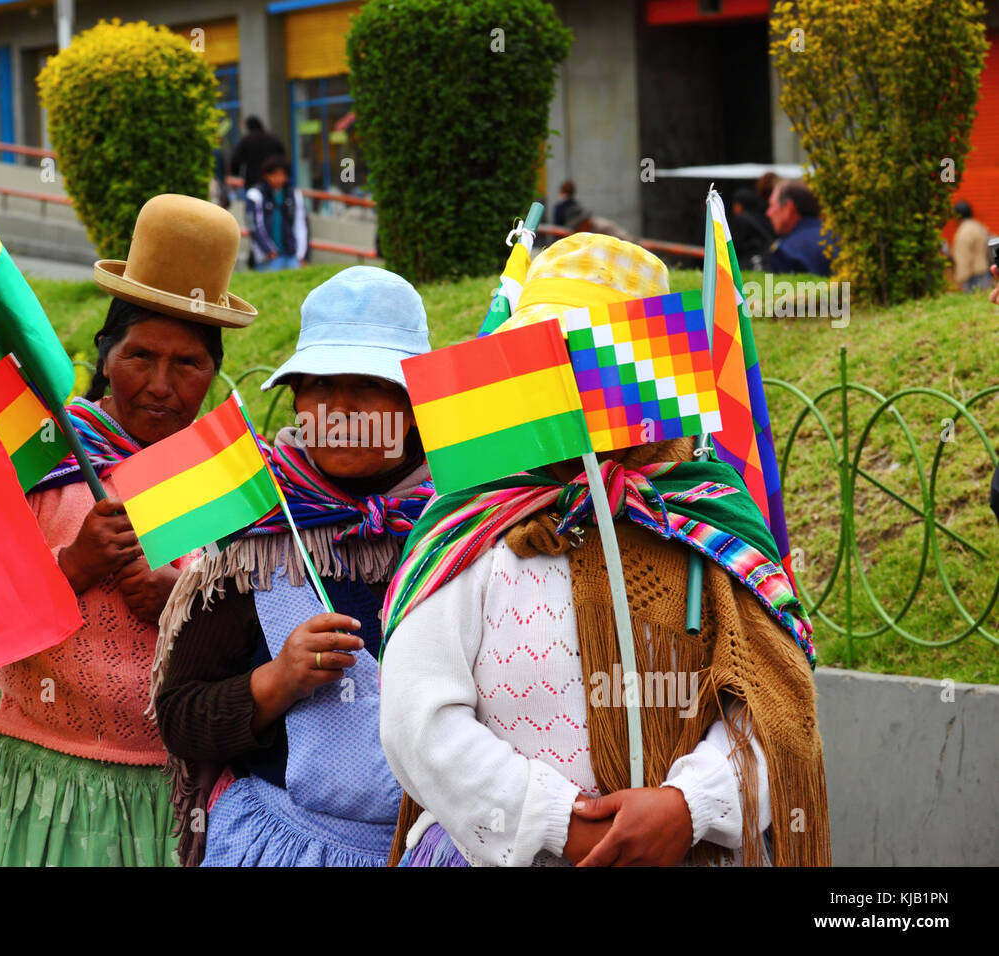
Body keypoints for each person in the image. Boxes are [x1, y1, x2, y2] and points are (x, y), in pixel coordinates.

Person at [379, 233, 831, 867]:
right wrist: (564, 827)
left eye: (595, 366)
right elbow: (416, 720)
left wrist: (687, 807)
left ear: (649, 374)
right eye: (549, 365)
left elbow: (774, 704)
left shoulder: (703, 514)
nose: (572, 391)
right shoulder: (469, 518)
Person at [0, 195, 256, 866]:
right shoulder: (45, 454)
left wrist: (179, 606)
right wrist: (73, 567)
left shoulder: (234, 487)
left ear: (213, 373)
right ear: (104, 354)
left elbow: (258, 650)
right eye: (139, 356)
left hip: (158, 804)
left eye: (187, 364)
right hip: (20, 783)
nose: (159, 385)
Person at [152, 266, 434, 866]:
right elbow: (179, 715)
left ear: (412, 408)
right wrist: (275, 681)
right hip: (281, 845)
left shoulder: (461, 530)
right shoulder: (257, 532)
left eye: (367, 386)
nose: (338, 410)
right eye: (318, 385)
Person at [245, 155, 308, 272]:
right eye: (275, 174)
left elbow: (301, 225)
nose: (279, 179)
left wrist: (301, 254)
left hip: (291, 255)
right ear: (266, 175)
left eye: (282, 174)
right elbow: (254, 226)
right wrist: (268, 250)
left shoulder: (294, 194)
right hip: (267, 258)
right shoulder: (255, 194)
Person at [766, 180, 837, 276]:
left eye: (772, 205)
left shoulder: (786, 252)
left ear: (788, 208)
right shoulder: (839, 238)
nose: (768, 213)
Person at [230, 115, 286, 190]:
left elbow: (235, 160)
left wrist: (236, 175)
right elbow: (282, 156)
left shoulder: (245, 141)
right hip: (271, 178)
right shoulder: (272, 139)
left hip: (252, 179)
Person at [728, 187, 774, 273]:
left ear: (739, 205)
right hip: (764, 260)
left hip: (747, 263)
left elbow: (734, 246)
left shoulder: (740, 220)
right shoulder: (764, 218)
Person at [951, 201, 992, 293]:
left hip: (971, 277)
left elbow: (962, 258)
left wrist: (960, 279)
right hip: (984, 271)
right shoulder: (979, 227)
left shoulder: (963, 232)